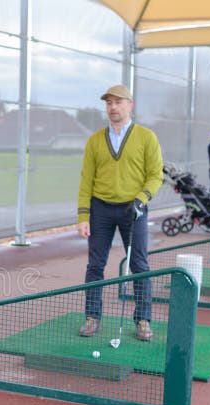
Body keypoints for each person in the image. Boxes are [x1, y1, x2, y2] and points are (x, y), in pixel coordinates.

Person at [76, 84, 163, 342]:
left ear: (130, 105)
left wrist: (141, 200)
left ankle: (143, 319)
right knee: (95, 265)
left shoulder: (147, 137)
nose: (113, 107)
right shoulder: (94, 141)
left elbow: (155, 175)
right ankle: (92, 317)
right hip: (100, 209)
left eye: (118, 102)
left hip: (133, 209)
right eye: (109, 103)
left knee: (139, 265)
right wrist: (83, 217)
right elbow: (86, 181)